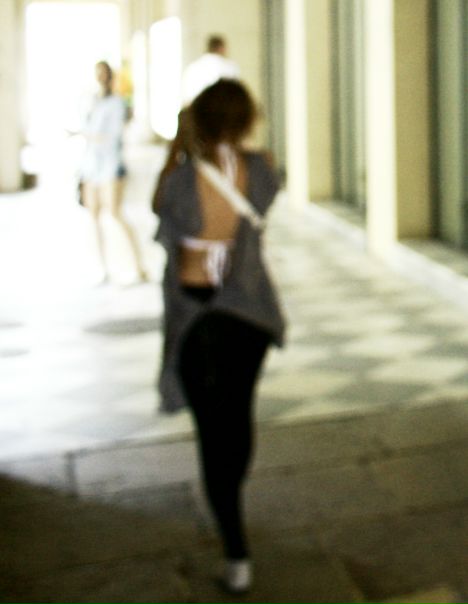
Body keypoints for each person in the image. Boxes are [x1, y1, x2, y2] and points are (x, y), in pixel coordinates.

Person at [152, 79, 286, 594]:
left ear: (199, 121)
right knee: (238, 415)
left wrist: (178, 146)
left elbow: (160, 206)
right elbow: (267, 188)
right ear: (248, 119)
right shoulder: (263, 170)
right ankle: (233, 497)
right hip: (248, 315)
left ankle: (236, 551)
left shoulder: (182, 179)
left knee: (212, 432)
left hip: (198, 320)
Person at [80, 60, 147, 284]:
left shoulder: (117, 103)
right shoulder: (92, 102)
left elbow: (113, 135)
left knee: (115, 213)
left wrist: (91, 136)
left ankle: (138, 266)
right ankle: (102, 267)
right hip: (91, 166)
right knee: (93, 216)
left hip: (110, 165)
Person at [181, 35, 240, 105]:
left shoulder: (192, 67)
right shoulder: (229, 67)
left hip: (197, 108)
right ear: (221, 48)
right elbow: (235, 94)